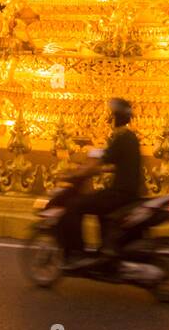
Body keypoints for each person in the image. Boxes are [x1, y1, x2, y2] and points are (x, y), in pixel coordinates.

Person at [54, 98, 143, 261]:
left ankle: (76, 253)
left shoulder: (121, 137)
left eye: (110, 117)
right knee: (99, 205)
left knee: (75, 205)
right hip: (129, 192)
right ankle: (105, 250)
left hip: (120, 194)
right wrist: (99, 169)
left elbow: (100, 161)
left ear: (114, 118)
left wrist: (75, 174)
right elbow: (113, 164)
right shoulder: (130, 137)